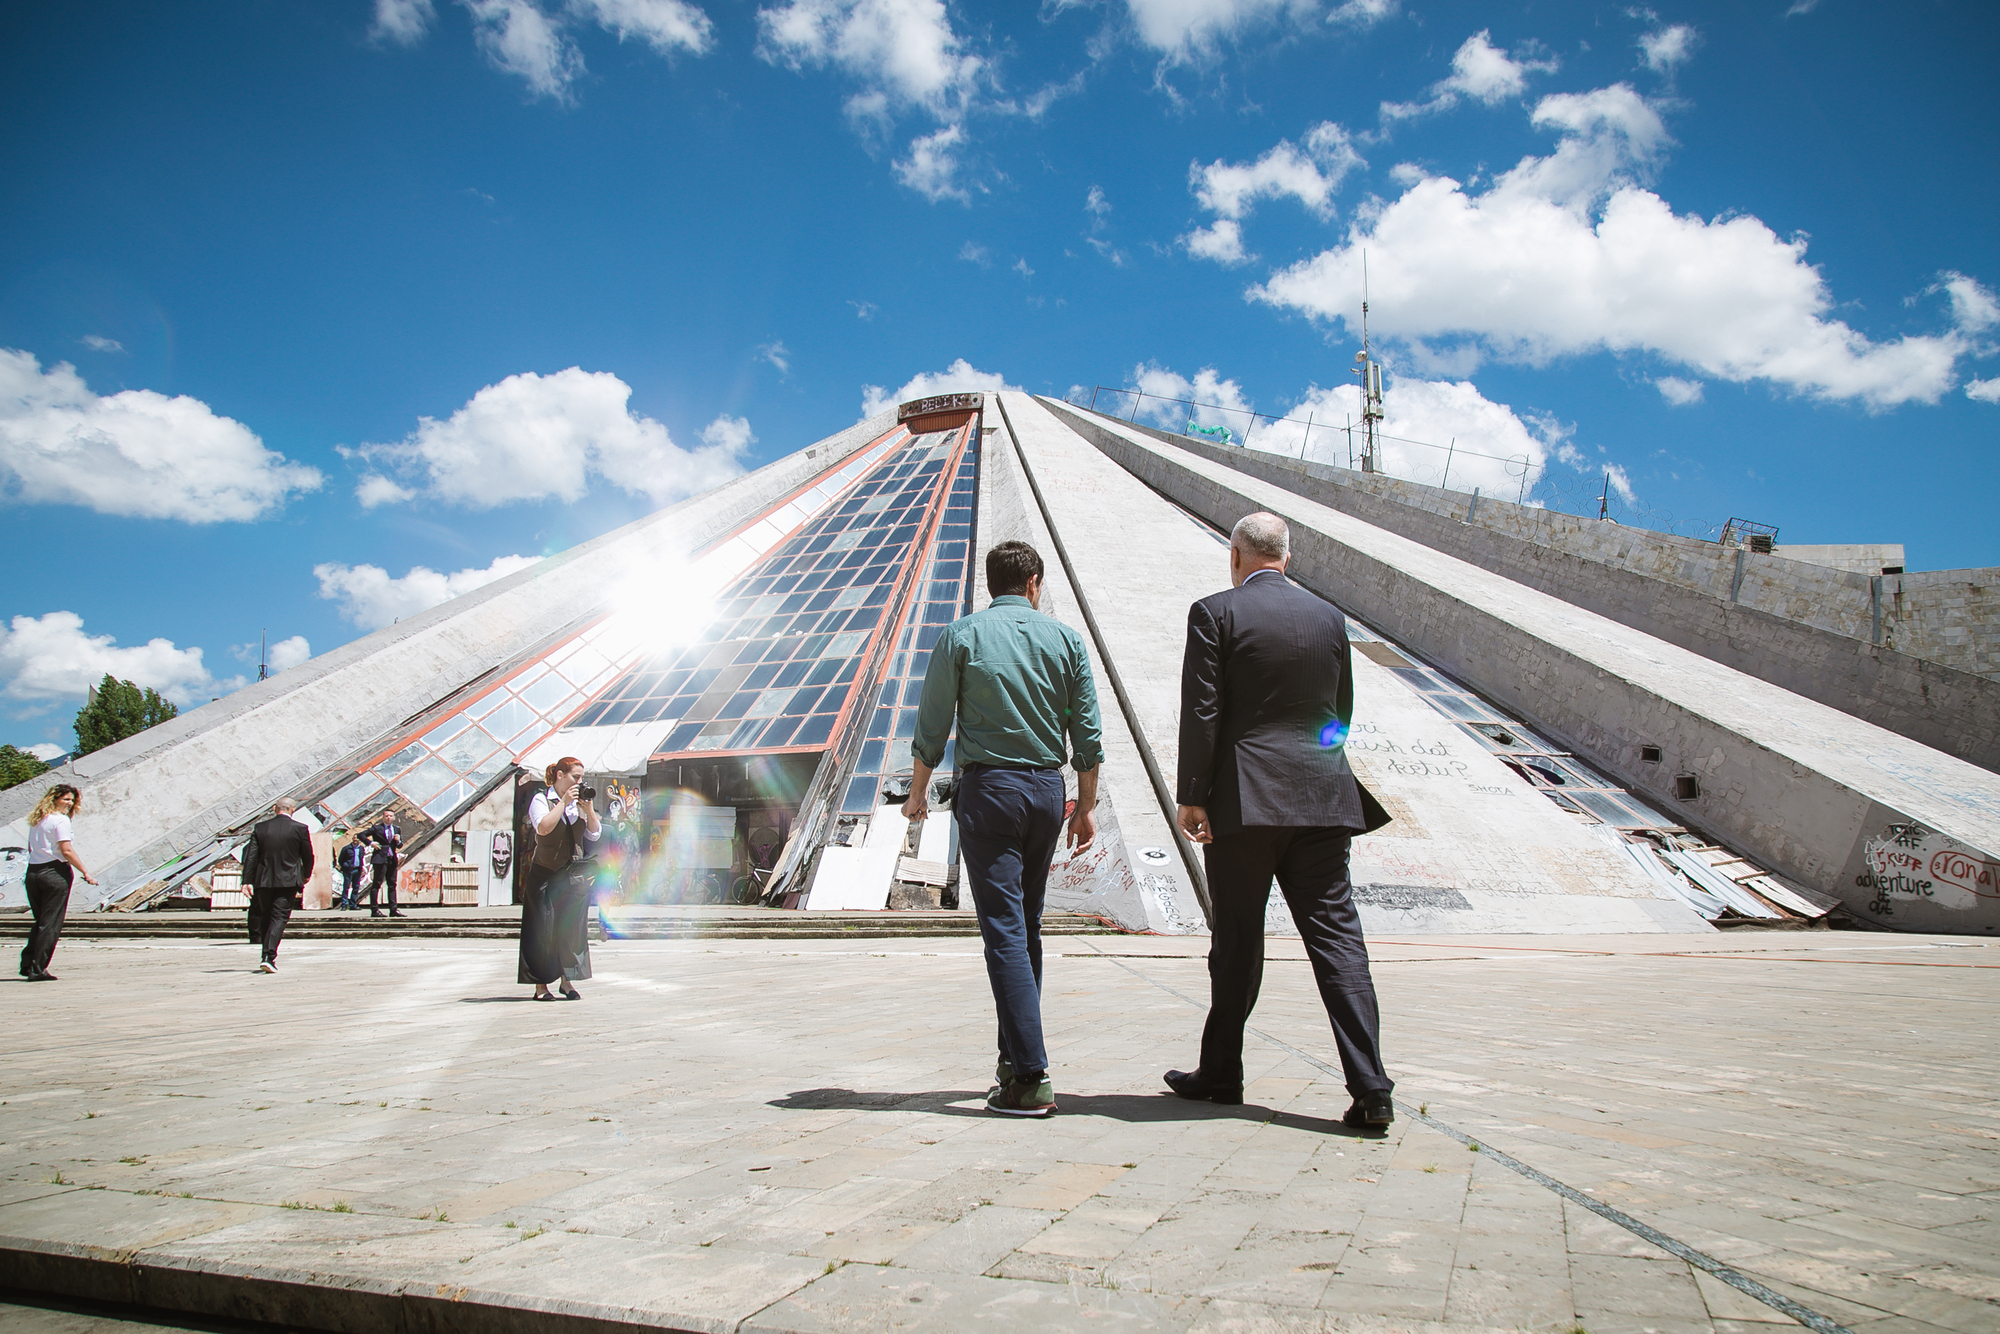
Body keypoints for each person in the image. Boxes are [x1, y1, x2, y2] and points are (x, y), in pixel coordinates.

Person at [1170, 512, 1396, 1129]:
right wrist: (1318, 762)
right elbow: (1340, 710)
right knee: (1337, 940)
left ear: (1236, 555)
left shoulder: (1215, 612)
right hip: (1324, 801)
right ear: (1287, 560)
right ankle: (1371, 1086)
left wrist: (1193, 793)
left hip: (1245, 803)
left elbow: (1203, 711)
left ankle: (1222, 1074)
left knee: (1238, 942)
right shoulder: (1329, 619)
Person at [906, 540, 1102, 1117]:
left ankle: (1033, 1077)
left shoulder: (961, 636)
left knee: (1004, 930)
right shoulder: (1066, 640)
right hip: (1046, 792)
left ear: (993, 584)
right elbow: (1087, 737)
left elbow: (932, 723)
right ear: (1035, 582)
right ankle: (1012, 1061)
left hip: (989, 792)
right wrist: (1084, 808)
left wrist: (918, 793)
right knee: (1027, 924)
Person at [519, 758, 598, 1002]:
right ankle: (541, 986)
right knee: (542, 930)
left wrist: (589, 810)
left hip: (572, 876)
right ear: (560, 775)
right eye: (575, 777)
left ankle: (567, 981)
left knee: (571, 930)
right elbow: (543, 828)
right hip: (545, 874)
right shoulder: (542, 800)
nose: (579, 782)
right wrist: (563, 803)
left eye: (581, 777)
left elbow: (594, 834)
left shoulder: (579, 804)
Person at [21, 784, 95, 981]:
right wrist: (85, 872)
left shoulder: (37, 820)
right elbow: (66, 850)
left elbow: (31, 848)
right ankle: (38, 970)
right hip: (55, 872)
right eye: (66, 799)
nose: (69, 804)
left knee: (41, 921)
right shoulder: (60, 821)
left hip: (33, 872)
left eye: (72, 800)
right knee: (51, 923)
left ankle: (28, 965)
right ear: (54, 799)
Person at [240, 798, 315, 974]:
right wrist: (306, 875)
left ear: (275, 809)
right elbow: (308, 855)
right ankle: (268, 956)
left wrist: (246, 881)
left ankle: (266, 953)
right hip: (288, 880)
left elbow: (251, 857)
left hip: (263, 880)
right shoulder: (300, 828)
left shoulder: (261, 828)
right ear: (293, 809)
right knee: (279, 917)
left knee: (266, 915)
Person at [362, 814, 403, 918]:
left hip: (392, 859)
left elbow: (399, 846)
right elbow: (361, 835)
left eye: (391, 816)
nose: (388, 817)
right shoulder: (376, 828)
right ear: (383, 817)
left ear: (394, 818)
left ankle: (393, 909)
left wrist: (398, 841)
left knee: (392, 884)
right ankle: (374, 909)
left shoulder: (396, 829)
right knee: (377, 884)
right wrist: (371, 843)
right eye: (386, 816)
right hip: (380, 858)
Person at [335, 834, 366, 910]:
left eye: (357, 838)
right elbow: (341, 859)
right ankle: (344, 904)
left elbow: (361, 858)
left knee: (355, 887)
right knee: (346, 887)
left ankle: (353, 904)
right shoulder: (346, 848)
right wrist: (345, 866)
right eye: (354, 838)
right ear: (352, 839)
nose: (355, 840)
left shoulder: (361, 849)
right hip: (348, 870)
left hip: (357, 870)